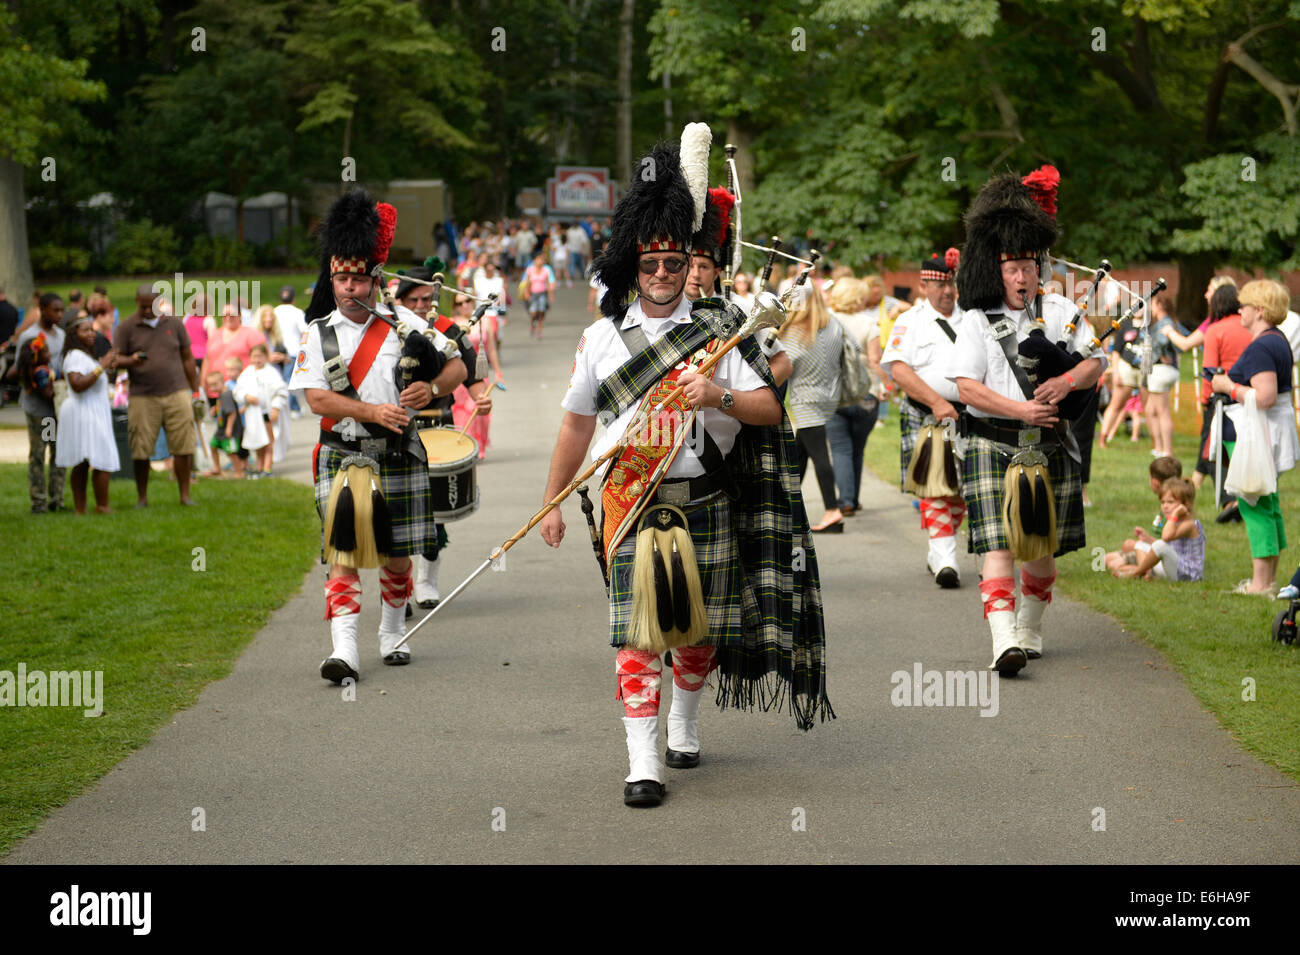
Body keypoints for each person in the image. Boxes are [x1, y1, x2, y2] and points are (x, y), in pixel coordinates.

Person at [540, 131, 831, 808]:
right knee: (639, 635)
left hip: (706, 497)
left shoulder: (720, 331)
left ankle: (684, 720)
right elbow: (576, 423)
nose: (664, 273)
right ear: (630, 263)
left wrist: (716, 394)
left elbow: (767, 408)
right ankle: (642, 760)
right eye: (652, 263)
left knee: (696, 635)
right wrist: (551, 499)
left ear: (687, 260)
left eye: (675, 261)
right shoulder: (602, 339)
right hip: (631, 500)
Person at [291, 189, 466, 682]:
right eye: (340, 277)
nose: (349, 288)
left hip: (397, 453)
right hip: (342, 454)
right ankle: (344, 650)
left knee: (395, 554)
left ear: (376, 277)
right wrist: (371, 409)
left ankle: (393, 633)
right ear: (332, 276)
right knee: (341, 555)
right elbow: (316, 399)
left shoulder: (406, 324)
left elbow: (458, 363)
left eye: (358, 278)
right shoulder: (316, 332)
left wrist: (430, 388)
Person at [950, 165, 1106, 674]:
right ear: (995, 268)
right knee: (995, 543)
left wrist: (1068, 382)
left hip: (1048, 447)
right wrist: (1020, 408)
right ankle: (1002, 641)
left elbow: (1096, 361)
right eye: (1012, 268)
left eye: (1029, 267)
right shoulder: (976, 320)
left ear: (1039, 266)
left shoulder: (1062, 311)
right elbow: (966, 387)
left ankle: (1030, 626)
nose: (1022, 277)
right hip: (990, 443)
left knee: (1039, 549)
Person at [394, 267, 493, 609]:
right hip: (395, 427)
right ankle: (399, 587)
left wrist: (481, 397)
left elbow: (471, 375)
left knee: (435, 507)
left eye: (426, 299)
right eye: (413, 300)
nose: (421, 305)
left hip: (439, 424)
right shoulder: (388, 329)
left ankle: (426, 581)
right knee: (398, 510)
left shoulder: (449, 330)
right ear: (401, 300)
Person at [882, 250, 967, 586]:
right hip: (926, 415)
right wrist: (935, 402)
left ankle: (938, 548)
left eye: (951, 284)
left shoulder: (973, 317)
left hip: (967, 416)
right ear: (923, 285)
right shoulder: (909, 321)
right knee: (935, 488)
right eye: (940, 285)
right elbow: (899, 370)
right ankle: (946, 556)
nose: (947, 292)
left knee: (960, 491)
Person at [1209, 279, 1299, 596]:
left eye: (1244, 305)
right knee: (1267, 502)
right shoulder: (1277, 340)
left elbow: (1265, 397)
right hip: (1269, 431)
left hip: (1259, 434)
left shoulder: (1262, 344)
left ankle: (1260, 584)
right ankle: (1268, 579)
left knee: (1253, 502)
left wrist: (1225, 385)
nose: (1240, 311)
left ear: (1258, 310)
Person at [1163, 280, 1252, 513]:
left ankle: (1228, 500)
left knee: (1215, 450)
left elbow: (1209, 370)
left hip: (1222, 399)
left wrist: (1205, 400)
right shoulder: (1249, 327)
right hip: (1249, 396)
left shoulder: (1215, 329)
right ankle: (1199, 485)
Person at [112, 283, 201, 508]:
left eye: (150, 306)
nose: (147, 311)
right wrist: (130, 360)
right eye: (142, 307)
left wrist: (195, 388)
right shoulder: (126, 328)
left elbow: (188, 357)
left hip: (177, 391)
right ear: (136, 303)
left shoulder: (174, 323)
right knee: (140, 447)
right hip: (143, 394)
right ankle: (142, 497)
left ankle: (184, 495)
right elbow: (114, 359)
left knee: (183, 445)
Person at [778, 285, 845, 533]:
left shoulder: (796, 333)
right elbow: (854, 350)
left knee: (819, 456)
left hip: (806, 399)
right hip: (830, 393)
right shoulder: (834, 325)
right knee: (799, 455)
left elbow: (781, 365)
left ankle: (832, 510)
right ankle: (788, 508)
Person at [56, 316, 120, 513]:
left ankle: (81, 509)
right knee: (101, 458)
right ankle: (102, 506)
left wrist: (106, 366)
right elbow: (77, 384)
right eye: (85, 330)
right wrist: (102, 366)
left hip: (91, 410)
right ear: (74, 335)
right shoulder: (75, 355)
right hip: (84, 411)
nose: (91, 333)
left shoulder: (84, 355)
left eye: (92, 329)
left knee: (83, 461)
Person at [15, 294, 67, 512]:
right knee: (39, 453)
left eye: (61, 311)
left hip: (57, 406)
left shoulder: (62, 336)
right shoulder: (30, 336)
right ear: (42, 309)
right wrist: (39, 386)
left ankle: (57, 499)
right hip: (40, 409)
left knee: (59, 452)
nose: (60, 315)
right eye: (55, 310)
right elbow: (22, 369)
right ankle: (39, 501)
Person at [1107, 478, 1204, 582]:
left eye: (1170, 502)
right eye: (1162, 502)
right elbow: (1169, 547)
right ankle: (1146, 572)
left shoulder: (1189, 524)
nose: (1165, 506)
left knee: (1160, 545)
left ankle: (1137, 572)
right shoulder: (1174, 522)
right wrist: (1148, 539)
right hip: (1173, 568)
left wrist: (1174, 515)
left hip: (1187, 574)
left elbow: (1165, 539)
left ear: (1186, 505)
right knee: (1139, 544)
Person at [450, 291, 502, 460]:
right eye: (459, 303)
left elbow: (492, 350)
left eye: (467, 301)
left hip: (479, 373)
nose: (464, 305)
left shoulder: (484, 322)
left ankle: (479, 447)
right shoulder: (452, 325)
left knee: (480, 411)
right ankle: (465, 446)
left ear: (472, 302)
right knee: (462, 413)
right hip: (460, 376)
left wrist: (498, 372)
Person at [235, 343, 289, 477]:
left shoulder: (271, 372)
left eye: (260, 356)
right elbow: (238, 390)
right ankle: (259, 467)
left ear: (266, 357)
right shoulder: (247, 373)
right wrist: (246, 397)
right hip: (253, 414)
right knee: (259, 441)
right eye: (254, 356)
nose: (257, 359)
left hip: (267, 414)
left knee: (269, 441)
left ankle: (267, 467)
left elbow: (281, 391)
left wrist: (276, 408)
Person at [1142, 290, 1181, 458]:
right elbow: (1183, 340)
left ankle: (1167, 451)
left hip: (1161, 370)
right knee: (1151, 409)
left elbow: (1164, 341)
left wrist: (1163, 353)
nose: (1150, 307)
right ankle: (1158, 448)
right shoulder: (1172, 321)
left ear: (1159, 306)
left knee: (1162, 411)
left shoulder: (1164, 323)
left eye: (1153, 304)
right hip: (1163, 370)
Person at [273, 286, 307, 415]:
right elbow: (304, 331)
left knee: (282, 379)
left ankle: (291, 406)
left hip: (277, 350)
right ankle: (294, 408)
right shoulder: (297, 313)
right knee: (288, 380)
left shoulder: (275, 311)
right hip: (293, 350)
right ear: (293, 299)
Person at [524, 251, 556, 338]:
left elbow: (548, 283)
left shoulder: (546, 270)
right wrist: (526, 292)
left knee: (541, 312)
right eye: (538, 259)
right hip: (533, 293)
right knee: (533, 312)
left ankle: (539, 330)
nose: (540, 261)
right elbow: (527, 282)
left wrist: (550, 295)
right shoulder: (530, 269)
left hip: (542, 293)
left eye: (541, 260)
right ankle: (532, 323)